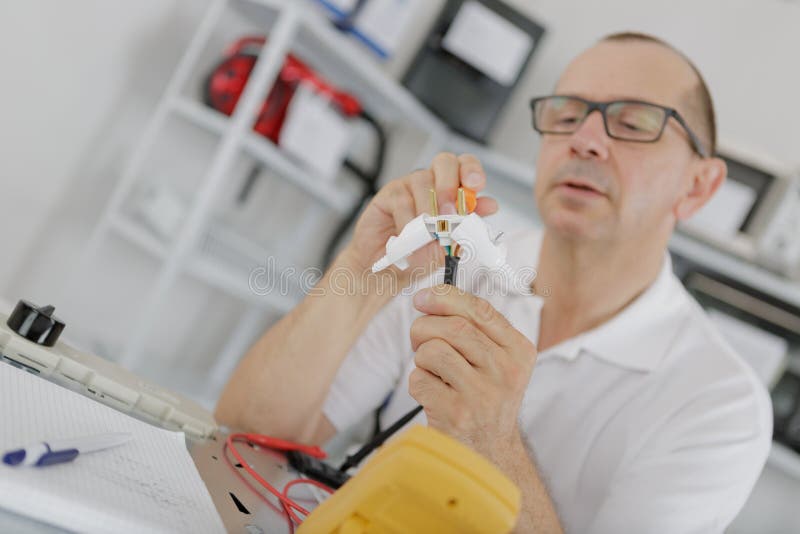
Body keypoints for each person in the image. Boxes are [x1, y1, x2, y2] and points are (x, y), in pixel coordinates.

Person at [215, 32, 772, 533]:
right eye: (566, 113)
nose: (584, 139)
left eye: (633, 123)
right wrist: (361, 276)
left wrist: (492, 441)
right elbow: (242, 437)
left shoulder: (722, 406)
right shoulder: (453, 256)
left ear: (699, 187)